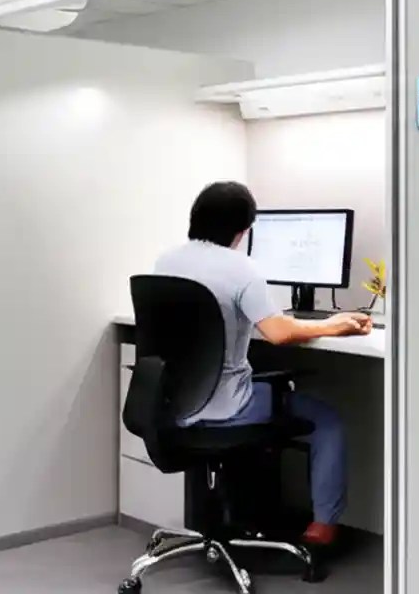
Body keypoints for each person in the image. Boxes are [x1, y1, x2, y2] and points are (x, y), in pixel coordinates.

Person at [154, 181, 372, 547]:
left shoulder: (167, 261)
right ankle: (322, 530)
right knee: (326, 419)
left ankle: (237, 514)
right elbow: (278, 333)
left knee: (276, 393)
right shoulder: (242, 269)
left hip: (176, 404)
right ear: (242, 231)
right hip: (229, 407)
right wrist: (334, 325)